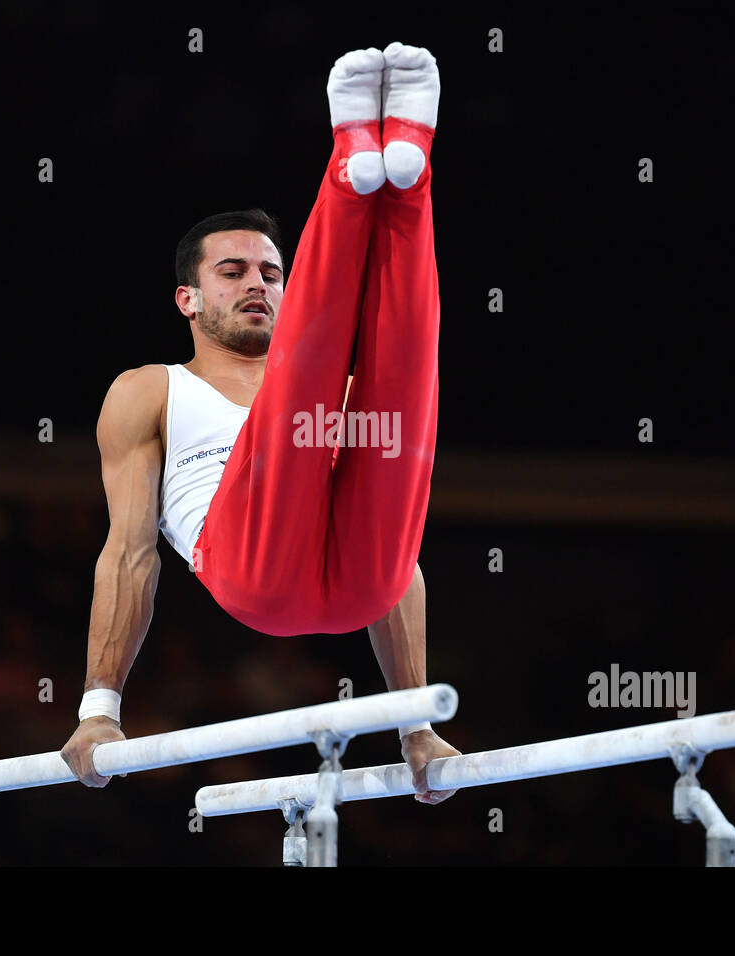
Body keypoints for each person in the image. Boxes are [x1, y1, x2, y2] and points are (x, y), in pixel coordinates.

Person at [61, 44, 460, 805]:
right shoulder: (150, 391)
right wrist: (99, 710)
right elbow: (129, 551)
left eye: (273, 273)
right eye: (233, 271)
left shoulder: (331, 388)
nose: (258, 285)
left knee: (402, 379)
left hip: (360, 584)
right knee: (309, 389)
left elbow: (395, 545)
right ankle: (350, 172)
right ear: (187, 298)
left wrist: (415, 725)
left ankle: (405, 173)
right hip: (251, 570)